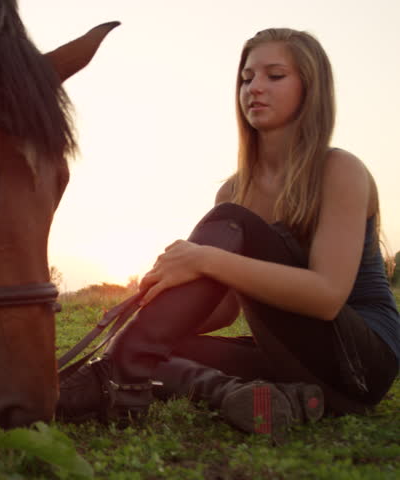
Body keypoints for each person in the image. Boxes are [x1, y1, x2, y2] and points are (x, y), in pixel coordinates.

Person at [56, 28, 400, 436]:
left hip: (362, 363)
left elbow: (326, 297)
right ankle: (249, 395)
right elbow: (224, 308)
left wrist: (205, 258)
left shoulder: (339, 170)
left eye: (274, 75)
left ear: (311, 88)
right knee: (161, 351)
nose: (254, 88)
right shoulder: (234, 190)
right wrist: (151, 313)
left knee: (231, 223)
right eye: (246, 77)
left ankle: (117, 375)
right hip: (297, 363)